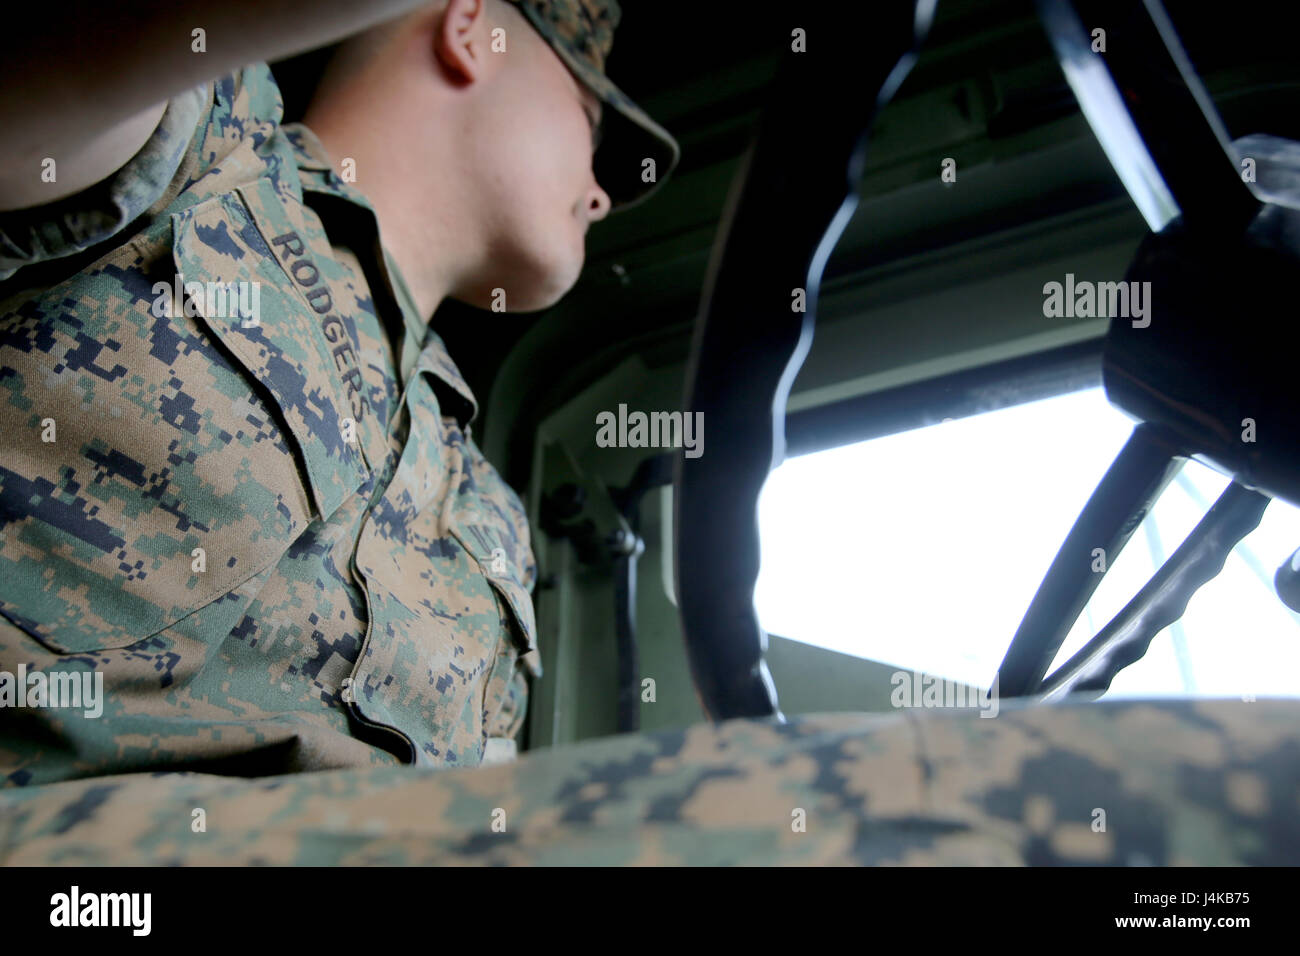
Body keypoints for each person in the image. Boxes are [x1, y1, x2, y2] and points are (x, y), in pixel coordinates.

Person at [0, 0, 679, 788]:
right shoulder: (206, 147)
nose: (599, 193)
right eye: (588, 122)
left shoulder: (489, 512)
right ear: (469, 30)